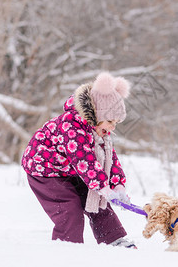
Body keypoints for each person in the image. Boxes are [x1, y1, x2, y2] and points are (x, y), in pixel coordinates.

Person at [21, 72, 135, 248]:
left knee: (97, 199)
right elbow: (84, 160)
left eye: (116, 123)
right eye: (110, 121)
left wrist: (117, 185)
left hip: (70, 169)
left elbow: (109, 159)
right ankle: (67, 247)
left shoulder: (99, 130)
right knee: (69, 208)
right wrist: (103, 187)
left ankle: (114, 239)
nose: (112, 127)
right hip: (44, 171)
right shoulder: (71, 125)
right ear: (97, 115)